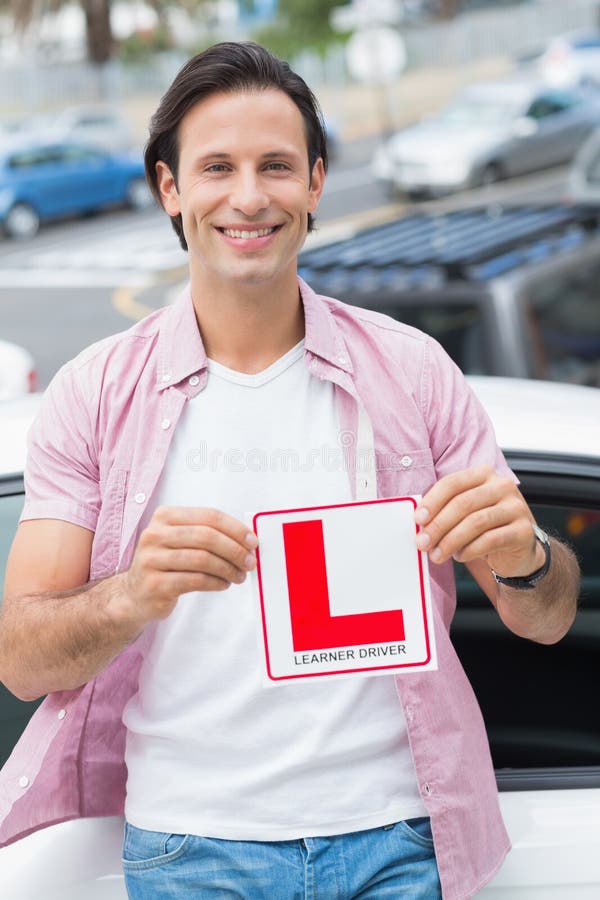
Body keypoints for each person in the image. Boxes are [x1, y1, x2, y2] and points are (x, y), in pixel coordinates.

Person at [0, 42, 579, 900]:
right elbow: (21, 659)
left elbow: (546, 619)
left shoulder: (415, 371)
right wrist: (133, 592)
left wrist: (527, 552)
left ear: (314, 184)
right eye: (216, 167)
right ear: (170, 189)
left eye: (275, 165)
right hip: (192, 850)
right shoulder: (94, 394)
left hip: (399, 838)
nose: (247, 195)